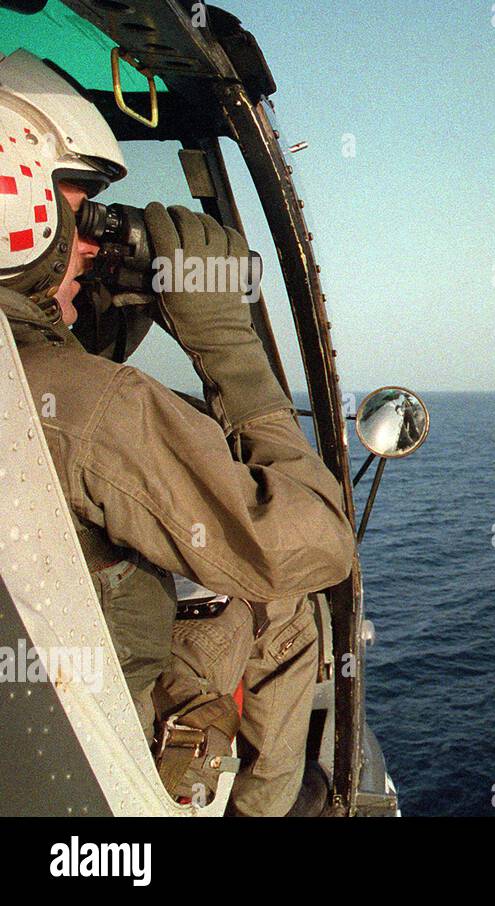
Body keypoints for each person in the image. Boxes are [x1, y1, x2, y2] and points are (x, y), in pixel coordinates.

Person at [0, 48, 355, 815]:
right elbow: (317, 543)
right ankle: (266, 806)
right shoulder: (88, 405)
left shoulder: (35, 378)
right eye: (79, 214)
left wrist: (120, 293)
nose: (91, 245)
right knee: (282, 598)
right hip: (92, 757)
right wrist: (228, 344)